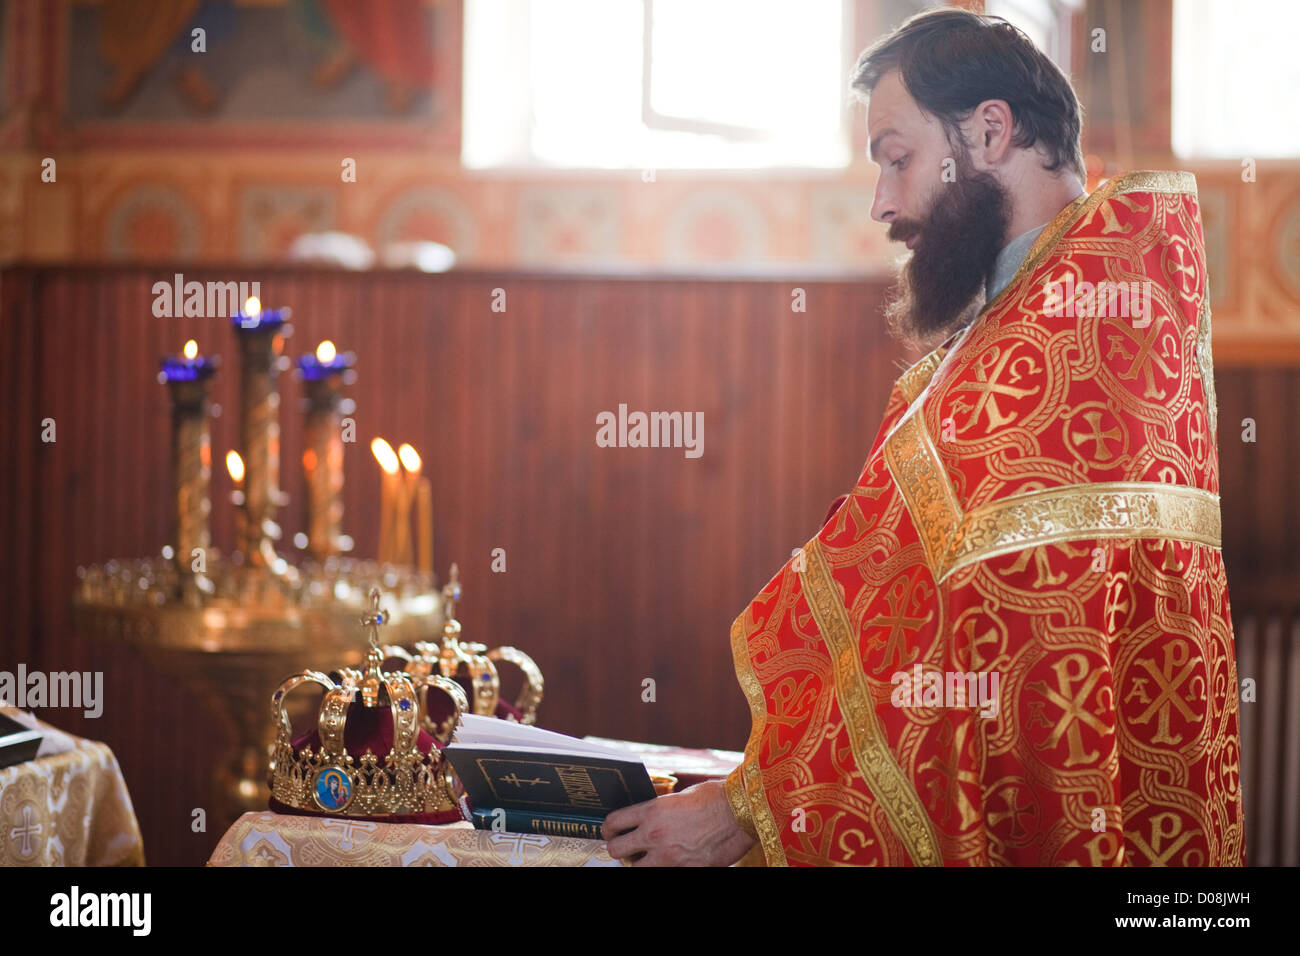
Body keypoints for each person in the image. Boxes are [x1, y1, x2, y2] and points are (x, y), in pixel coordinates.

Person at [603, 8, 1243, 866]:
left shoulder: (1089, 328)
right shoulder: (1048, 309)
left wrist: (757, 806)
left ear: (988, 131)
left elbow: (1002, 649)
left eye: (897, 158)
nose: (881, 202)